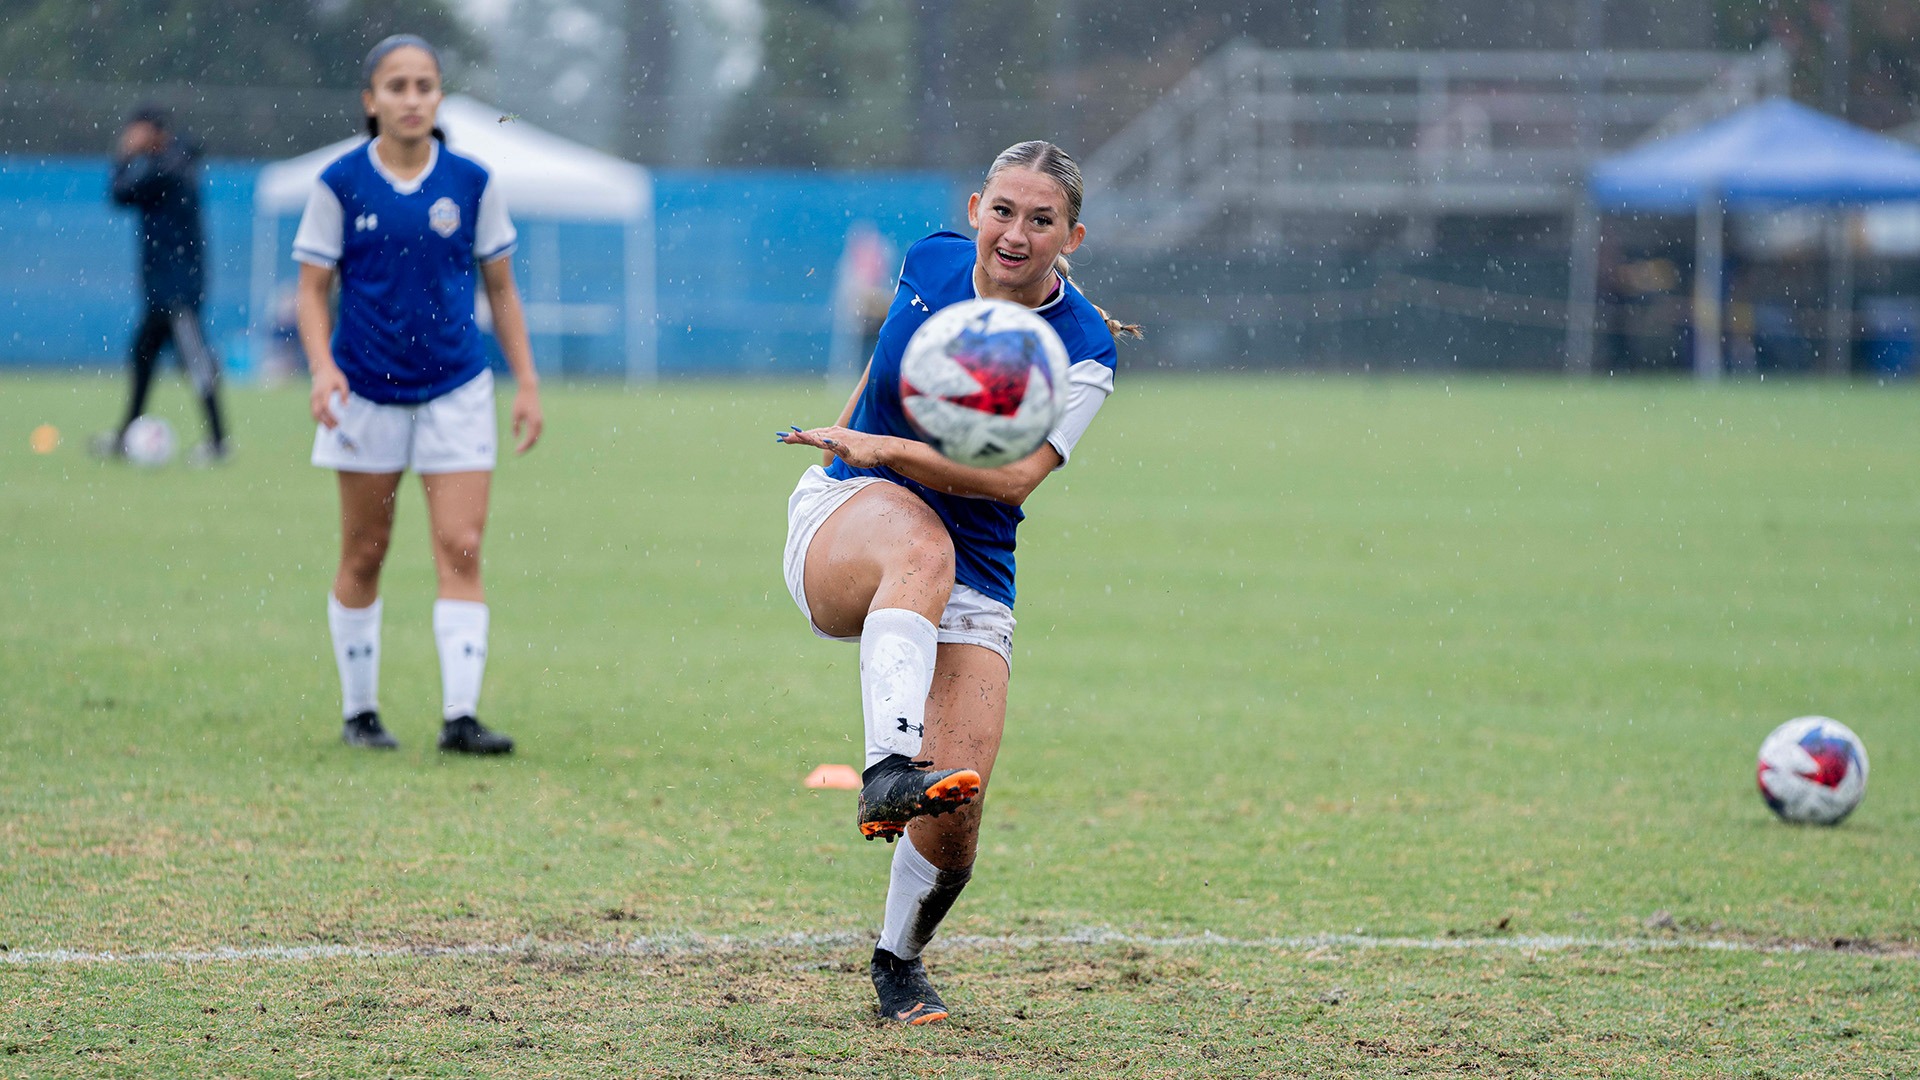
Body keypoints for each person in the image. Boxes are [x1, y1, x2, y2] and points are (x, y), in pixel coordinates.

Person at [780, 140, 1140, 1025]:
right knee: (919, 546)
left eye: (1041, 220)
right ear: (977, 206)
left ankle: (896, 963)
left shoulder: (1083, 349)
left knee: (958, 820)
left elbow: (1014, 482)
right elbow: (887, 363)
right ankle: (885, 767)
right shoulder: (931, 258)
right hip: (850, 510)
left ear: (1074, 237)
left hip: (975, 564)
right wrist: (851, 435)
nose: (1015, 233)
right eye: (1004, 211)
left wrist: (890, 443)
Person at [293, 35, 543, 755]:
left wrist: (525, 381)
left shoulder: (471, 181)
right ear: (371, 100)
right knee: (366, 550)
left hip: (456, 389)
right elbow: (313, 291)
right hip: (363, 392)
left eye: (424, 86)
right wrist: (322, 367)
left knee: (461, 545)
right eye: (396, 87)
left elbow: (501, 287)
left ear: (438, 96)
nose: (411, 99)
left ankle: (460, 719)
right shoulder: (339, 183)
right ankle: (359, 714)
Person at [98, 104, 230, 464]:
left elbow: (121, 193)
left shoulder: (170, 167)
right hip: (162, 288)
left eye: (137, 131)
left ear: (155, 132)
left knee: (196, 361)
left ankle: (219, 443)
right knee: (142, 357)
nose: (131, 138)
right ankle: (126, 436)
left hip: (177, 290)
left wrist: (123, 157)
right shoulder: (171, 161)